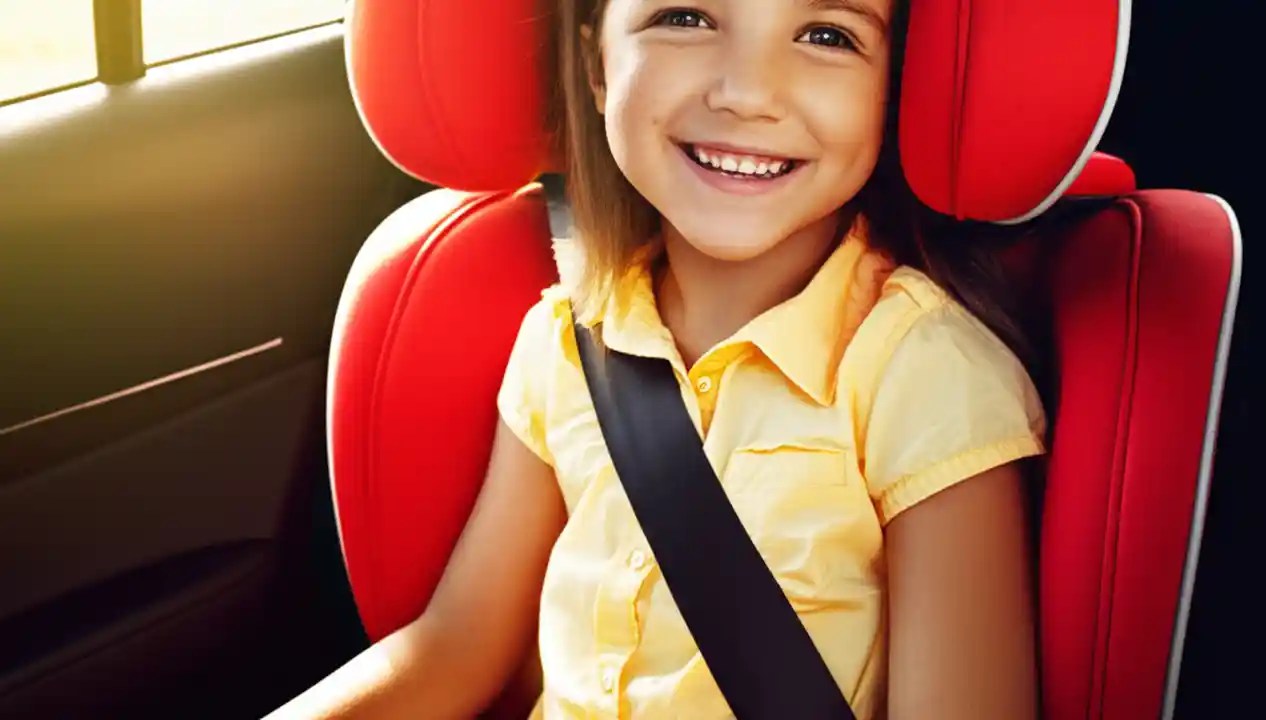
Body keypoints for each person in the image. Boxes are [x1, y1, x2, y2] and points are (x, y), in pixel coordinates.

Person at [269, 0, 1044, 717]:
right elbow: (456, 647)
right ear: (598, 67)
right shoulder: (567, 341)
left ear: (891, 90)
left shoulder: (927, 373)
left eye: (827, 36)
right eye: (686, 16)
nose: (748, 92)